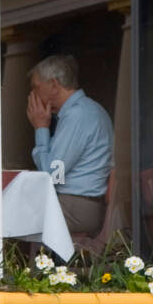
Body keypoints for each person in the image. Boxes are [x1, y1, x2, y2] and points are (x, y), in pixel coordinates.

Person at [26, 54, 113, 236]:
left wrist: (41, 128)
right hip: (79, 204)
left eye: (36, 87)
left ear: (54, 85)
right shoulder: (87, 110)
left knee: (2, 215)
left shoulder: (78, 115)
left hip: (77, 207)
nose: (32, 95)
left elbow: (52, 174)